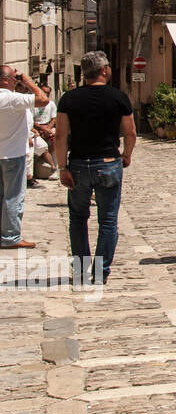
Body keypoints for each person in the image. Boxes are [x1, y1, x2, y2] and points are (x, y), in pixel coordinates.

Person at [53, 52, 134, 283]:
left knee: (78, 218)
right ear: (104, 70)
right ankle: (101, 272)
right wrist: (126, 155)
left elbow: (60, 136)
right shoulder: (118, 97)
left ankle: (80, 270)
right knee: (107, 219)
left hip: (78, 164)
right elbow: (130, 132)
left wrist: (62, 167)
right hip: (108, 163)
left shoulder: (69, 99)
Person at [0, 68, 49, 249]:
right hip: (13, 154)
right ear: (5, 81)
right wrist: (28, 82)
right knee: (13, 196)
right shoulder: (12, 98)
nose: (16, 81)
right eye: (14, 78)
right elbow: (43, 100)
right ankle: (10, 236)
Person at [28, 83, 57, 188]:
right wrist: (41, 129)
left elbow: (54, 119)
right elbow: (30, 121)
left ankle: (55, 165)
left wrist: (48, 128)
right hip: (36, 128)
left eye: (47, 93)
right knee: (40, 145)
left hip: (47, 127)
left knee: (55, 139)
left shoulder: (51, 104)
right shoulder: (33, 104)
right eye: (44, 92)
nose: (45, 94)